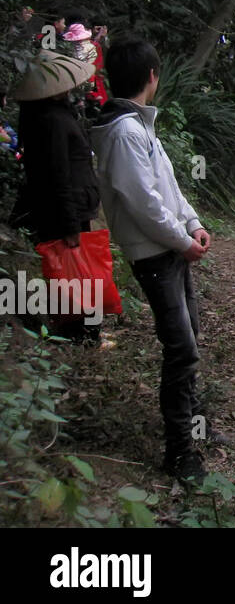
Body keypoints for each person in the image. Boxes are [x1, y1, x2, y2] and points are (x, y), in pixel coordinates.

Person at [90, 38, 211, 484]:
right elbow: (143, 201)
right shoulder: (124, 131)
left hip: (169, 248)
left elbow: (168, 187)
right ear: (152, 76)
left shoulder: (138, 125)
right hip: (155, 254)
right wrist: (181, 241)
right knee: (180, 348)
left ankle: (196, 425)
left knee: (189, 337)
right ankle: (180, 451)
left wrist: (192, 223)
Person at [8, 51, 104, 344]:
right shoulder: (51, 121)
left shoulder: (49, 115)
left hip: (72, 205)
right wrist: (70, 223)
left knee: (78, 272)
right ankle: (83, 335)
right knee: (75, 273)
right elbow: (57, 174)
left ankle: (85, 331)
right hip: (66, 209)